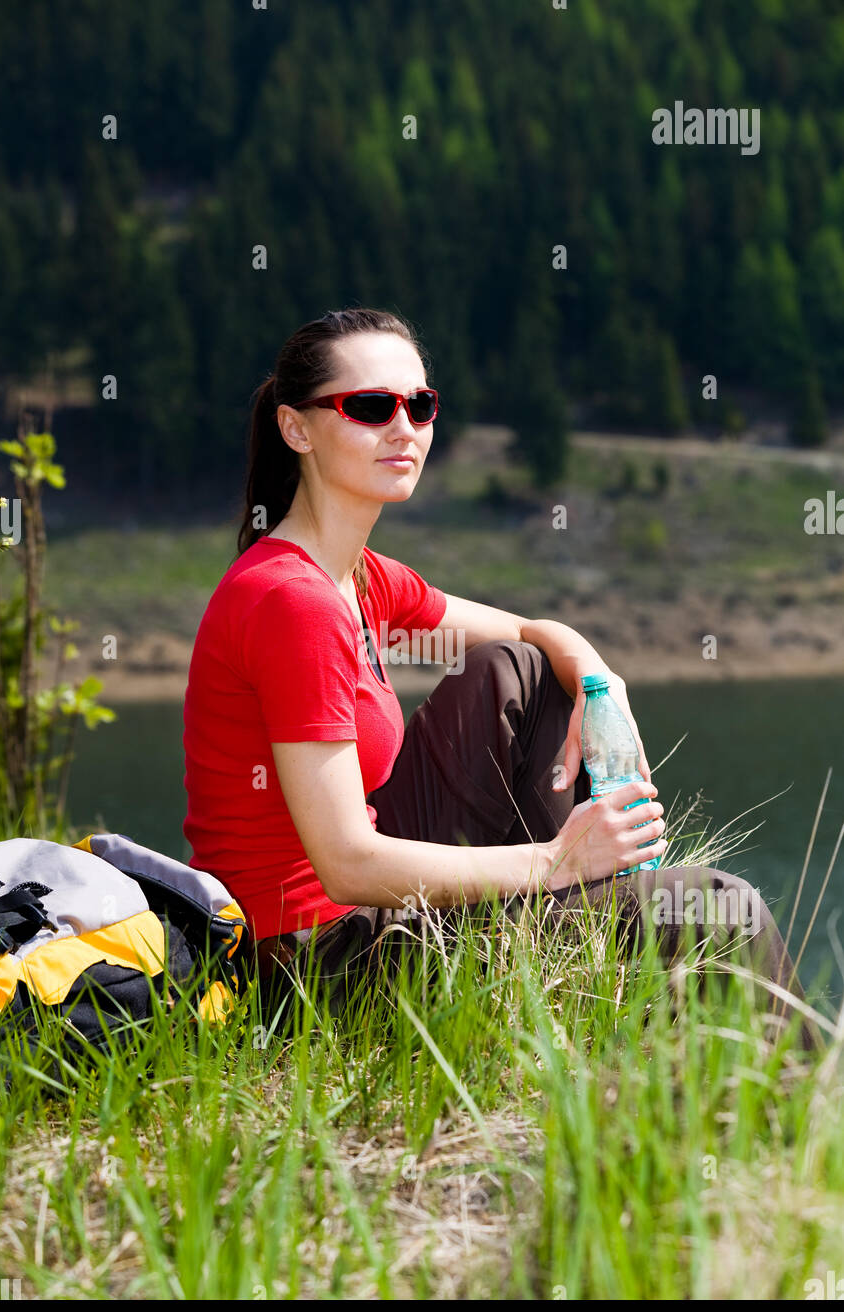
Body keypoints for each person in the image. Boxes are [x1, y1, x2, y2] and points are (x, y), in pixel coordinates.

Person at [182, 306, 822, 1054]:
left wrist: (599, 686)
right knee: (721, 907)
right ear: (297, 429)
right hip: (312, 973)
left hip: (359, 926)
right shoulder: (293, 600)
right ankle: (812, 1128)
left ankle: (586, 928)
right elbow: (346, 862)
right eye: (369, 407)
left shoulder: (358, 579)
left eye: (420, 405)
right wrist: (555, 863)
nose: (405, 429)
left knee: (517, 673)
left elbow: (529, 633)